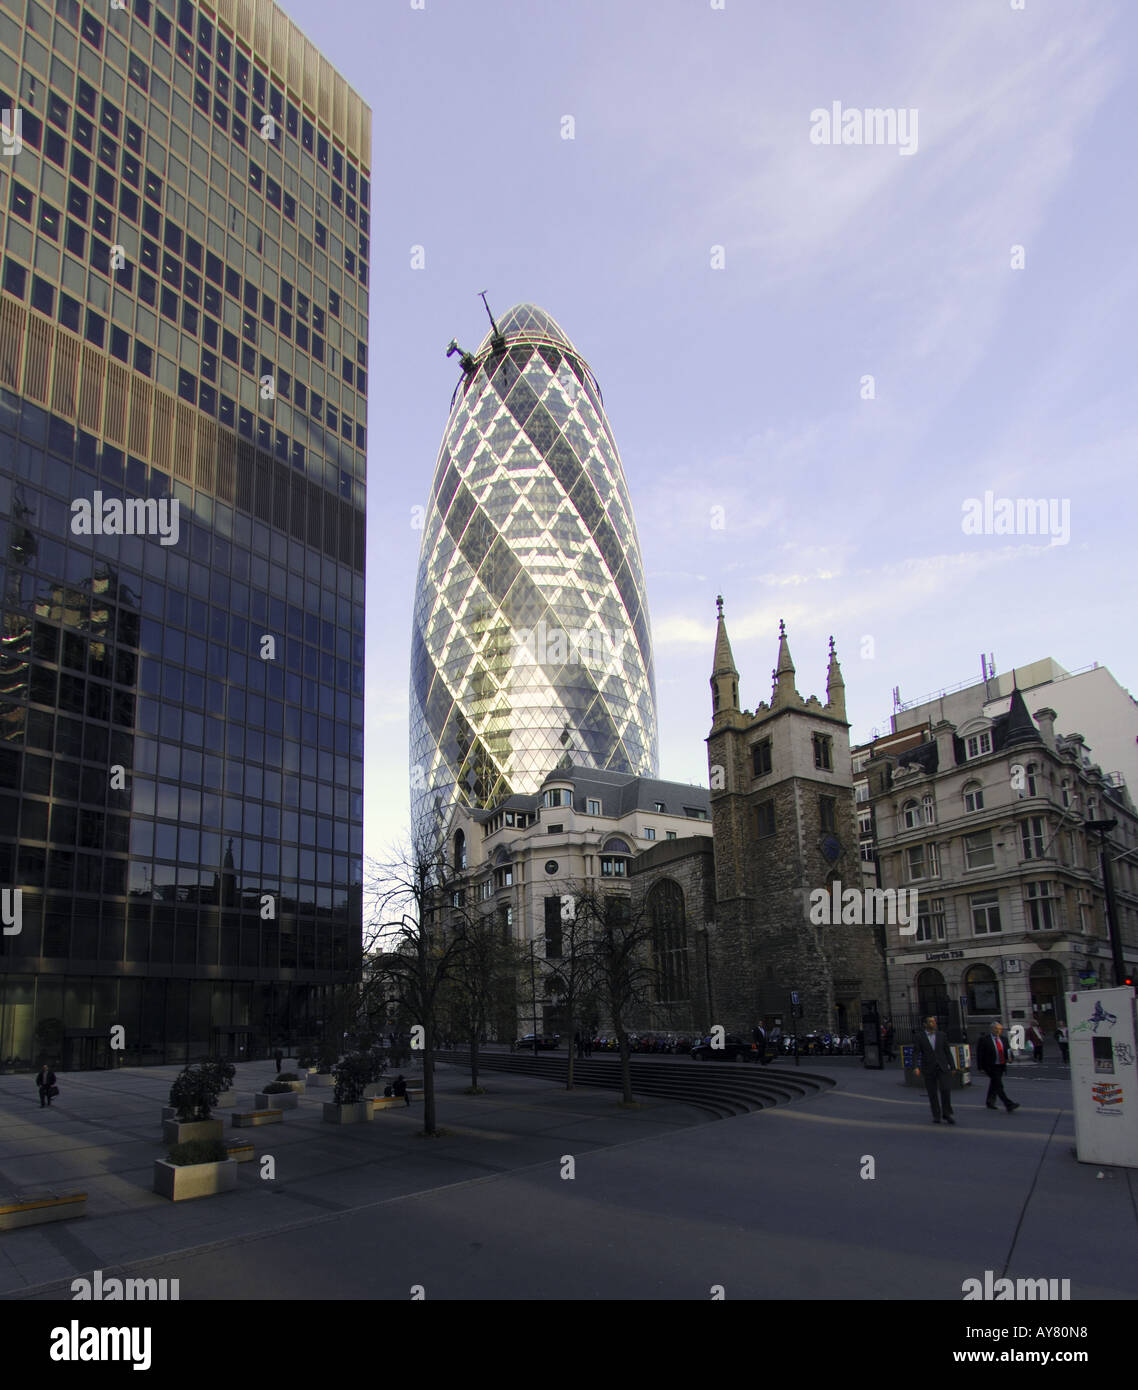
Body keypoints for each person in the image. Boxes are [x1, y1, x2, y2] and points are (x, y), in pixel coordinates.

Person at [913, 1016, 957, 1124]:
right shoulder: (919, 1037)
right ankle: (936, 1115)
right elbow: (916, 1052)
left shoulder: (942, 1035)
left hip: (942, 1066)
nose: (933, 1023)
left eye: (934, 1021)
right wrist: (916, 1067)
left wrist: (952, 1066)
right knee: (932, 1092)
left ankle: (947, 1113)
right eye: (931, 1022)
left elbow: (947, 1052)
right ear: (925, 1024)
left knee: (945, 1090)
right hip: (928, 1067)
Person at [977, 1021, 1020, 1112]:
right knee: (998, 1085)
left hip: (1001, 1065)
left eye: (1000, 1029)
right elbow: (980, 1054)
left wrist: (1010, 1058)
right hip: (990, 1066)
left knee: (994, 1083)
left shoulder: (1003, 1039)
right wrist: (980, 1067)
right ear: (991, 1029)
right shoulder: (984, 1040)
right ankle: (1008, 1104)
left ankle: (990, 1102)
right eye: (996, 1029)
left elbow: (1008, 1051)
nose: (998, 1031)